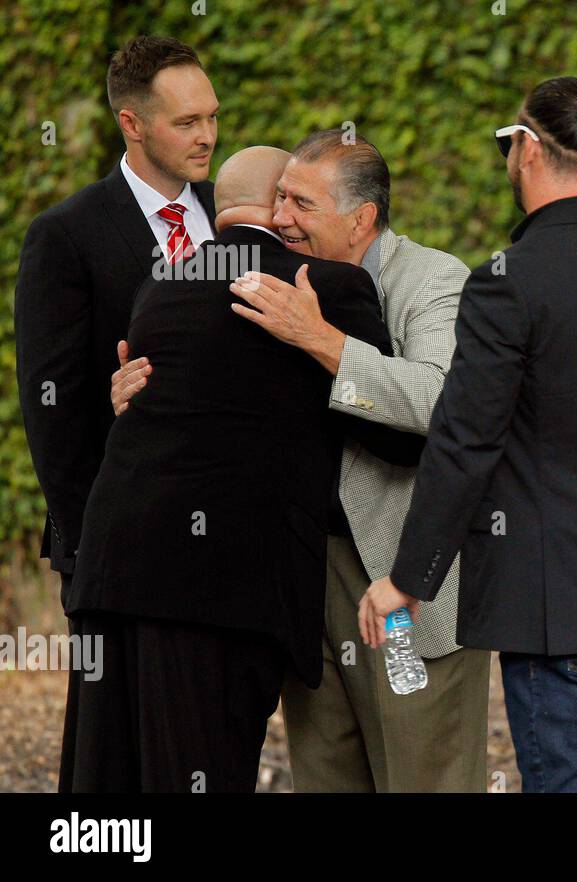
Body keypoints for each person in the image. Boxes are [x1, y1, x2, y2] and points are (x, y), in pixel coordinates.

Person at [116, 130, 490, 792]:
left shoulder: (434, 280)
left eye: (300, 204)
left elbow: (439, 403)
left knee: (423, 774)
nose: (278, 217)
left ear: (361, 219)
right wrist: (139, 397)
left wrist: (322, 341)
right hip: (302, 578)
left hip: (400, 582)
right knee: (324, 777)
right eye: (279, 196)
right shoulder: (277, 277)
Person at [358, 76, 577, 793]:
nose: (507, 159)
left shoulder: (509, 280)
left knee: (567, 784)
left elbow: (465, 439)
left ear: (530, 150)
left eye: (508, 144)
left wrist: (407, 579)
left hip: (554, 603)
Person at [60, 146, 420, 792]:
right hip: (220, 591)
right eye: (292, 197)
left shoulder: (159, 286)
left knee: (103, 785)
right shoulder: (329, 288)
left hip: (110, 567)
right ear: (278, 199)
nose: (292, 213)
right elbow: (398, 439)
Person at [16, 35, 217, 611]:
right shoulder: (66, 234)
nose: (207, 136)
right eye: (186, 122)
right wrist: (88, 541)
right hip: (120, 538)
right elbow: (51, 405)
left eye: (211, 117)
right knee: (115, 703)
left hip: (232, 537)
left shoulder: (230, 214)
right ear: (132, 123)